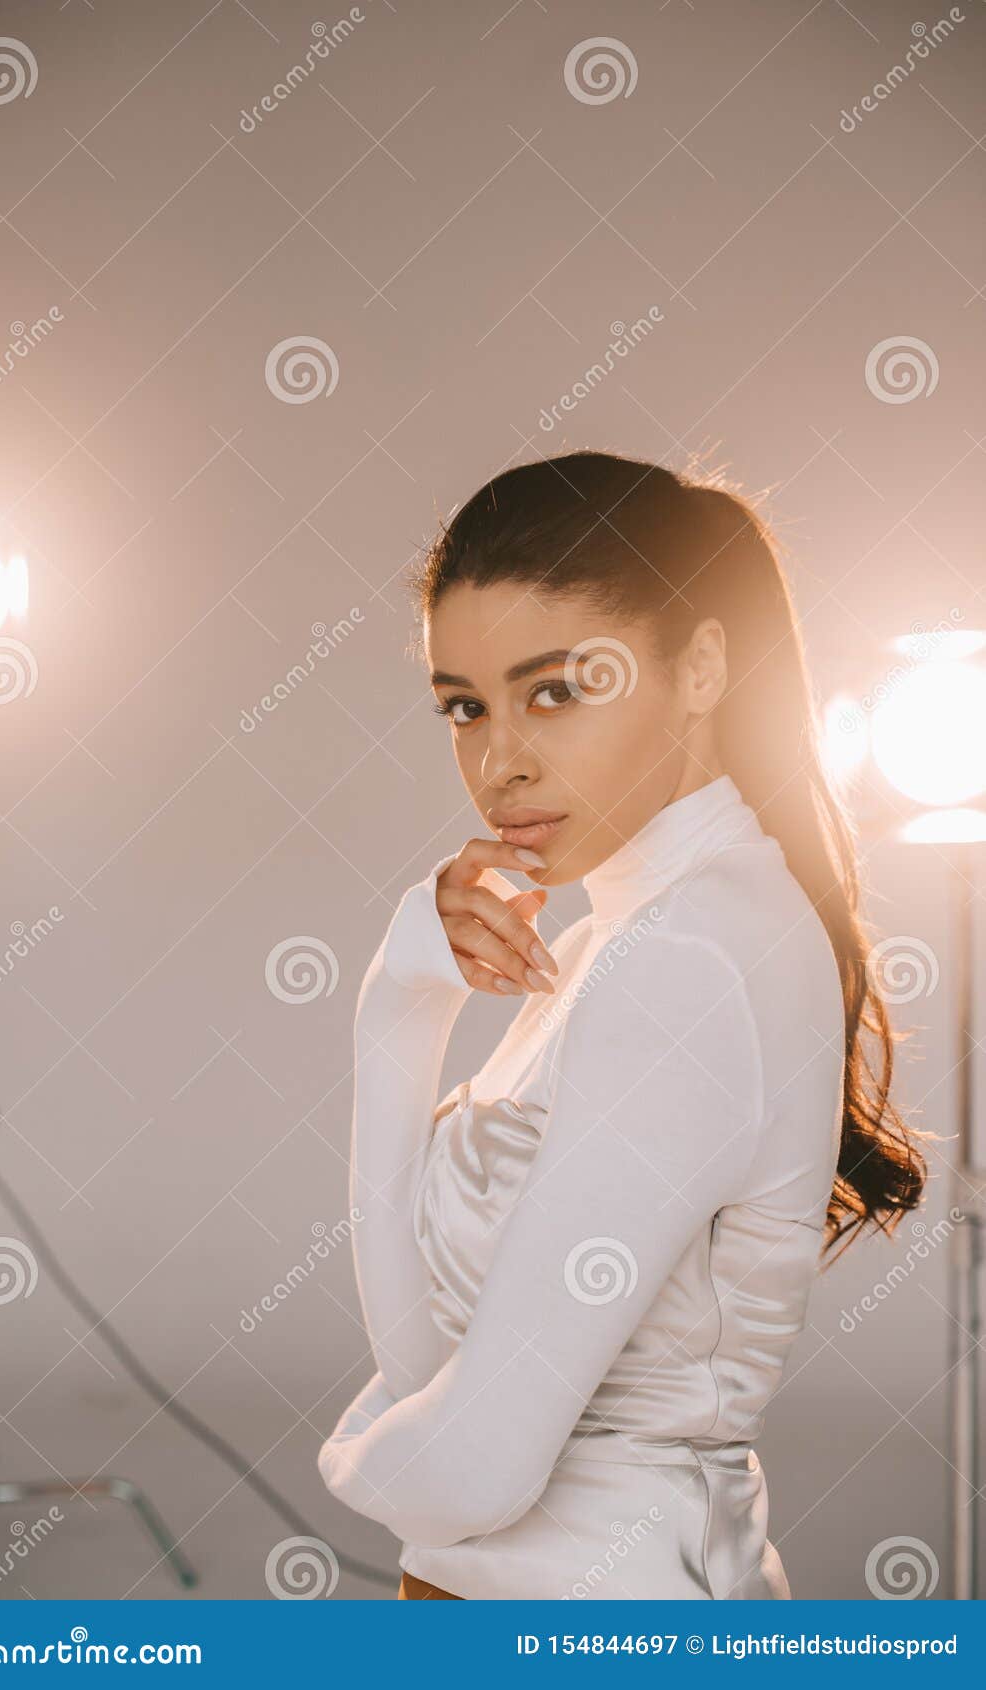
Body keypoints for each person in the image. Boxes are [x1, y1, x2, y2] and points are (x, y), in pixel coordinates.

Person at [316, 451, 931, 1601]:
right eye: (466, 706)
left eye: (556, 689)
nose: (501, 759)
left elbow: (479, 1469)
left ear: (700, 667)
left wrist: (356, 1459)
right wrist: (403, 1000)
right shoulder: (622, 935)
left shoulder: (687, 957)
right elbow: (426, 1355)